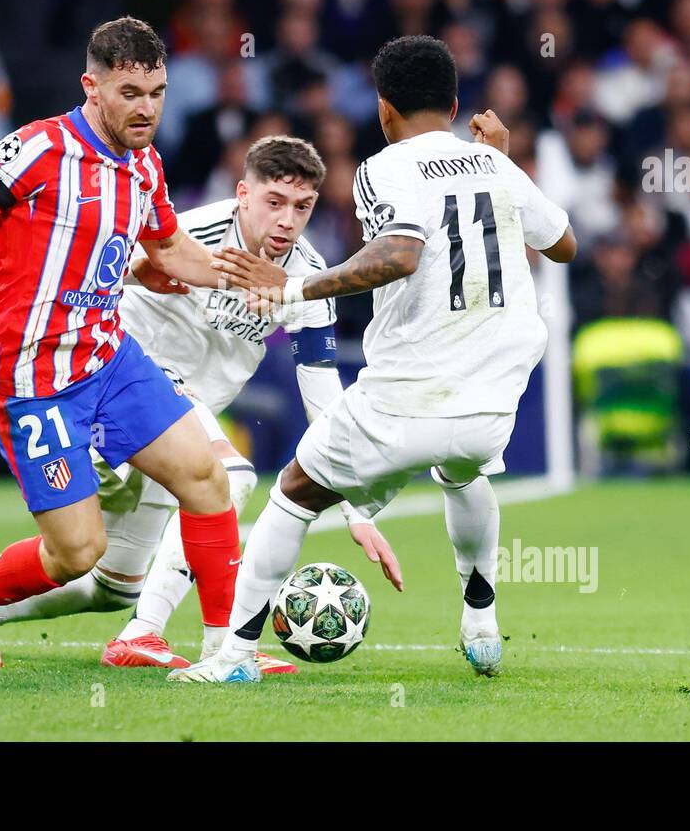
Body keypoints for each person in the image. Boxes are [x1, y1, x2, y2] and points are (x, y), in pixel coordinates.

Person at [171, 35, 577, 684]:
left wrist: (295, 287)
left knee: (294, 495)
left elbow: (400, 255)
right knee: (463, 472)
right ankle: (480, 618)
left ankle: (236, 658)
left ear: (384, 109)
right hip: (496, 387)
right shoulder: (496, 164)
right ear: (452, 103)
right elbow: (564, 247)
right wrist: (497, 169)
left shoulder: (382, 168)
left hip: (409, 386)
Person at [0, 135, 403, 673]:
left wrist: (354, 507)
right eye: (274, 202)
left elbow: (322, 396)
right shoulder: (193, 235)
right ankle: (224, 648)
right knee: (230, 476)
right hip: (127, 386)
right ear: (243, 194)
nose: (286, 221)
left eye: (302, 207)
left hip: (182, 420)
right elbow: (99, 284)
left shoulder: (305, 276)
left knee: (113, 585)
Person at [0, 17, 243, 669]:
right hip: (30, 377)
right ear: (92, 87)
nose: (146, 108)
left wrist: (243, 277)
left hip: (108, 358)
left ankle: (226, 653)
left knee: (207, 477)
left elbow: (168, 246)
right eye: (130, 93)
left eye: (157, 92)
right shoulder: (37, 149)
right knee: (78, 554)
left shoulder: (144, 163)